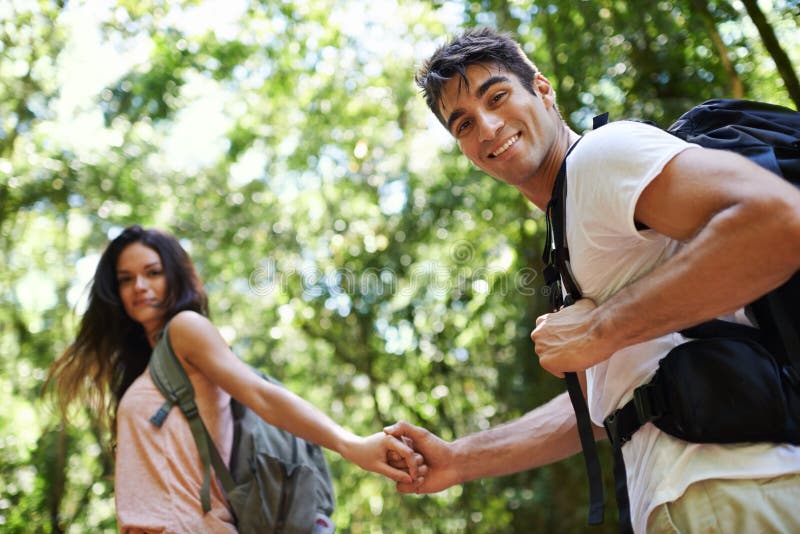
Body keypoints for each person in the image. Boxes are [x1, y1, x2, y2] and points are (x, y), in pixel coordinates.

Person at [385, 27, 800, 533]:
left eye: (497, 97)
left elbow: (779, 222)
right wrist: (460, 460)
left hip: (731, 489)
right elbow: (608, 407)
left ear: (542, 90)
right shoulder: (569, 228)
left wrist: (603, 326)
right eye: (464, 124)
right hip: (700, 495)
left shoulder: (601, 158)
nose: (488, 128)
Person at [44, 224, 422, 533]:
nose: (139, 286)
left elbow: (260, 395)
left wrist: (349, 443)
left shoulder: (186, 330)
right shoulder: (147, 370)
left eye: (152, 272)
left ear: (174, 276)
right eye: (126, 279)